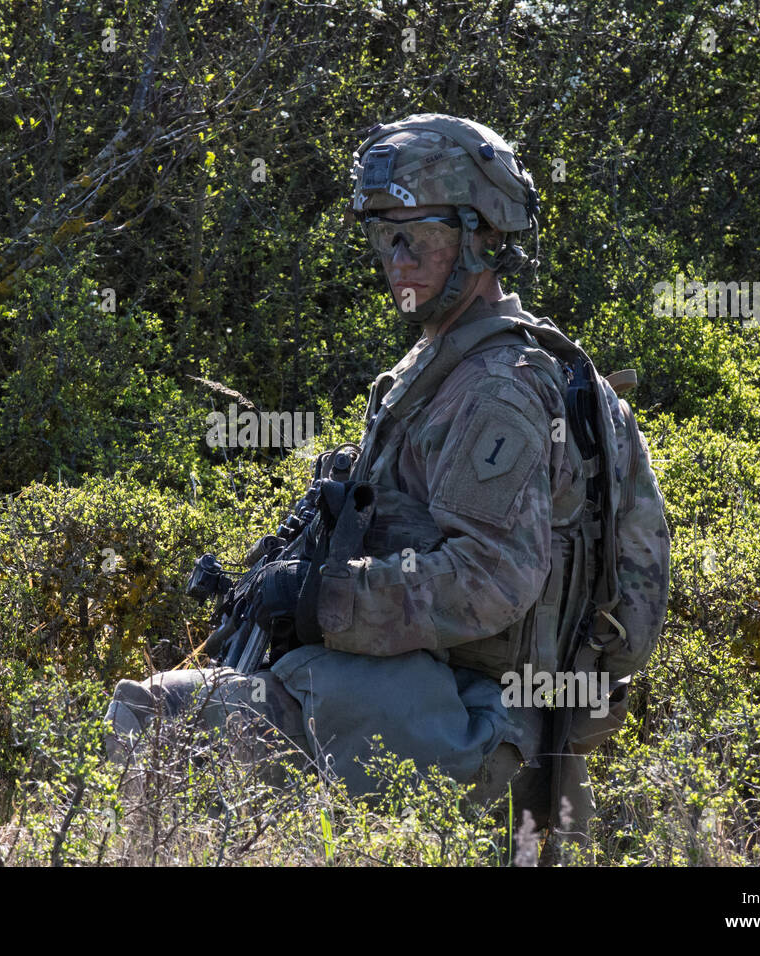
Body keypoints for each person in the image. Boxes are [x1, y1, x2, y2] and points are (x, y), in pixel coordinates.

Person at [105, 114, 669, 856]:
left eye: (418, 234)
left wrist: (323, 599)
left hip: (473, 727)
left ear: (480, 234)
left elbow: (492, 577)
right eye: (383, 235)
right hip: (424, 700)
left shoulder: (496, 387)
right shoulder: (441, 367)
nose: (397, 259)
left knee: (153, 717)